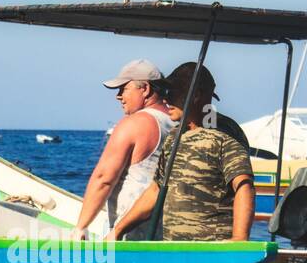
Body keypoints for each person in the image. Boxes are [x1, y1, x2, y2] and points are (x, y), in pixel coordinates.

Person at [108, 63, 254, 242]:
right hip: (175, 250)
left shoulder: (224, 131)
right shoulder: (174, 136)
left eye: (173, 93)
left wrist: (239, 239)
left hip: (212, 251)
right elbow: (155, 190)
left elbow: (243, 185)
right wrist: (118, 230)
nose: (167, 99)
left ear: (196, 95)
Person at [74, 59, 177, 239]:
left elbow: (104, 178)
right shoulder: (177, 122)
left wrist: (81, 226)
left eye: (124, 89)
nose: (118, 96)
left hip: (129, 235)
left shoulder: (134, 123)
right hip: (165, 232)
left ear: (144, 89)